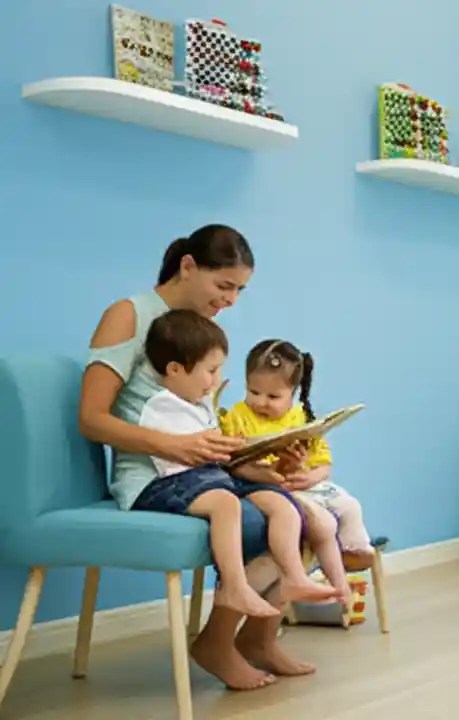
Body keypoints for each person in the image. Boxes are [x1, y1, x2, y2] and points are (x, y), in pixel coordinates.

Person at [78, 224, 315, 690]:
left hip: (202, 469)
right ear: (187, 267)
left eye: (240, 290)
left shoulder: (202, 330)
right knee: (268, 522)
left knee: (303, 511)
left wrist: (260, 462)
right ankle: (216, 645)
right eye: (223, 286)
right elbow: (92, 418)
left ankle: (256, 641)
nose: (230, 300)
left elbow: (200, 428)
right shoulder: (129, 315)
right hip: (158, 475)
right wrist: (174, 446)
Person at [131, 310, 339, 615]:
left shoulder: (198, 404)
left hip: (212, 478)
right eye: (211, 371)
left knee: (284, 505)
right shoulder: (162, 405)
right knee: (226, 504)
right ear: (175, 370)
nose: (216, 381)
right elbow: (183, 456)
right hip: (175, 483)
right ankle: (234, 586)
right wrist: (224, 448)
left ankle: (294, 577)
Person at [220, 339, 375, 603]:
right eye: (253, 392)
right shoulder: (237, 416)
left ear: (292, 392)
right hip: (275, 487)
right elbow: (231, 462)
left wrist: (310, 474)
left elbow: (324, 462)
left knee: (350, 505)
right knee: (324, 525)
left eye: (273, 397)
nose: (261, 402)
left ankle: (354, 551)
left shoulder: (300, 418)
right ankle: (339, 587)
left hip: (306, 483)